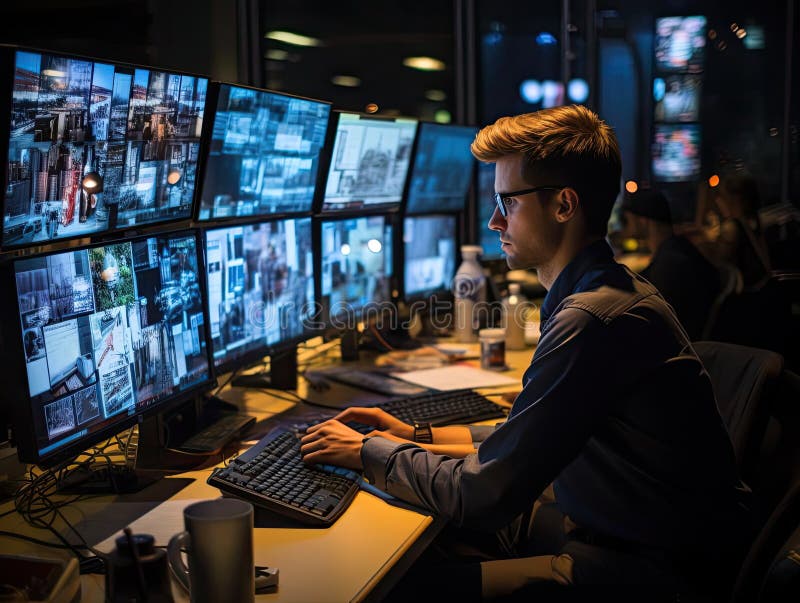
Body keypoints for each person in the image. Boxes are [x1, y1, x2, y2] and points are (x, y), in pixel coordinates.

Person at [300, 105, 751, 600]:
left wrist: (365, 452)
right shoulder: (608, 293)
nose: (494, 221)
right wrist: (414, 435)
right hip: (629, 536)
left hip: (640, 574)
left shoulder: (590, 321)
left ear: (564, 205)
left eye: (507, 202)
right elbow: (524, 439)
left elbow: (482, 494)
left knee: (399, 587)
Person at [620, 187, 720, 340]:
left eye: (626, 221)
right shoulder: (679, 248)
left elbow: (658, 321)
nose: (623, 227)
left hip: (682, 344)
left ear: (643, 221)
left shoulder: (669, 266)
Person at [711, 173, 771, 291]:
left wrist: (714, 239)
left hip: (744, 294)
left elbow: (717, 262)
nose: (718, 201)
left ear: (734, 199)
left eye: (722, 196)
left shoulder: (731, 227)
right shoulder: (754, 220)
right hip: (760, 290)